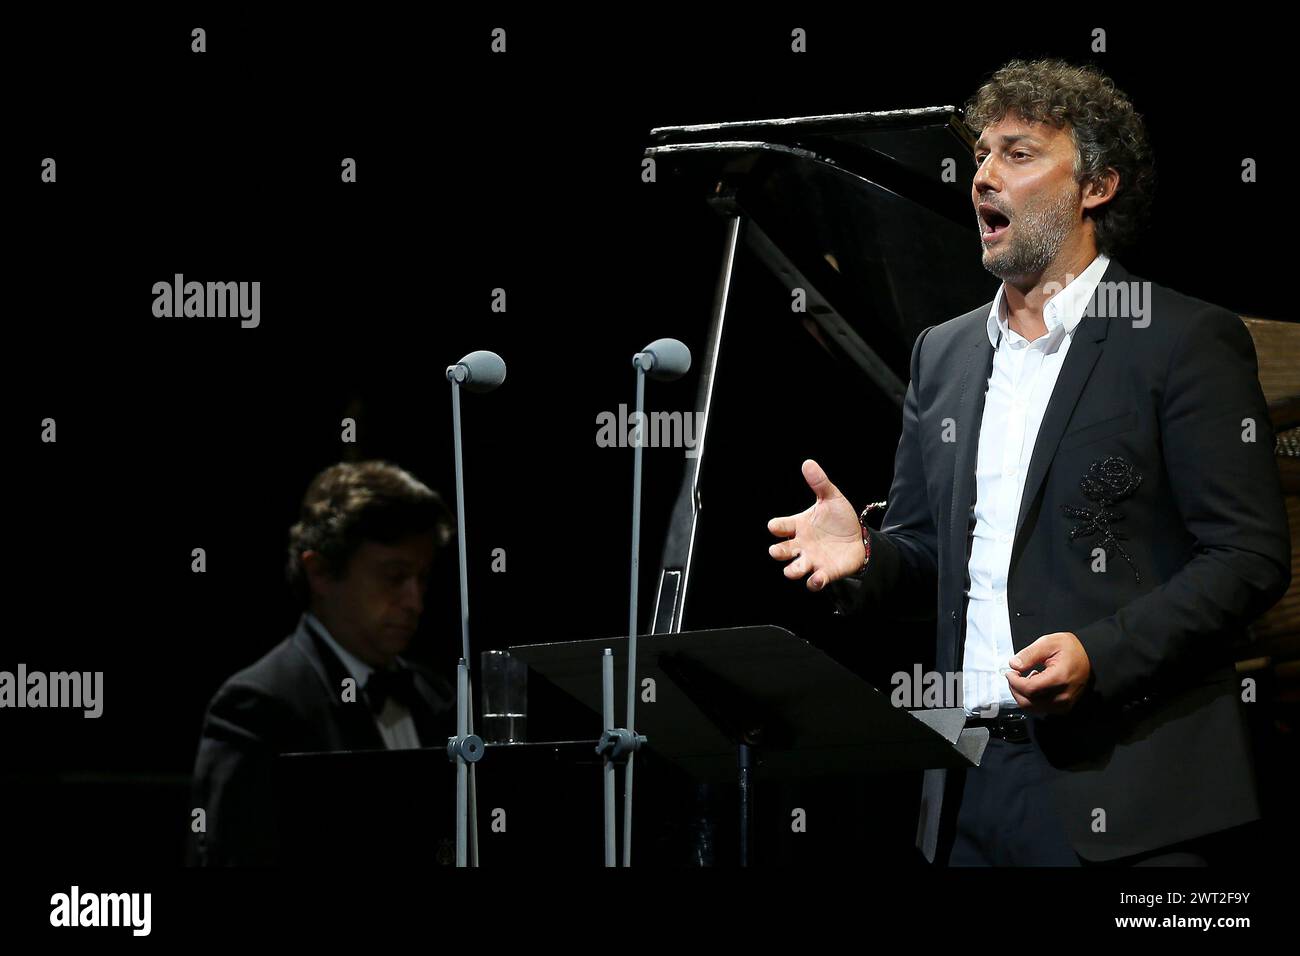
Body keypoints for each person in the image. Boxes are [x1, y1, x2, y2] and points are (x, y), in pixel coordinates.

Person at [766, 59, 1291, 866]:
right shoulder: (941, 354)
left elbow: (1247, 559)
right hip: (967, 784)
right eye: (980, 155)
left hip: (1131, 788)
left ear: (1097, 186)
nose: (982, 175)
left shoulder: (1181, 341)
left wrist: (1102, 654)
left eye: (1017, 153)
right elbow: (931, 557)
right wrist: (866, 556)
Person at [188, 460, 456, 865]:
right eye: (394, 576)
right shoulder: (257, 706)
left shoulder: (436, 695)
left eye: (423, 578)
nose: (415, 602)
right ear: (321, 572)